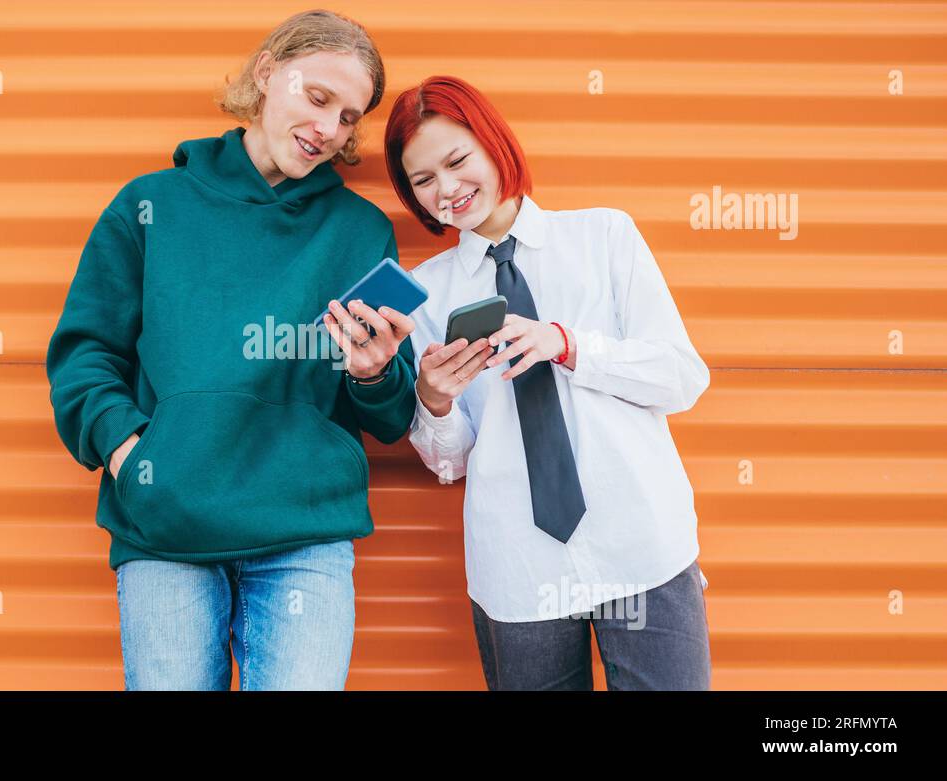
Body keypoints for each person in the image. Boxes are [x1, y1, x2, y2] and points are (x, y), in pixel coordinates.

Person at [45, 10, 417, 690]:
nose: (329, 129)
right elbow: (85, 354)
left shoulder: (360, 231)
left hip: (304, 535)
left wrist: (374, 373)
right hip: (165, 528)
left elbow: (391, 416)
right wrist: (132, 455)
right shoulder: (149, 205)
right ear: (268, 72)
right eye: (318, 98)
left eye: (348, 117)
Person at [384, 75, 713, 690]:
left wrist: (566, 344)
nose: (447, 190)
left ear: (494, 142)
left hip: (640, 542)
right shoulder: (425, 292)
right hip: (520, 566)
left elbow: (679, 377)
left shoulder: (604, 237)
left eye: (457, 161)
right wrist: (434, 400)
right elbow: (449, 462)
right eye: (423, 181)